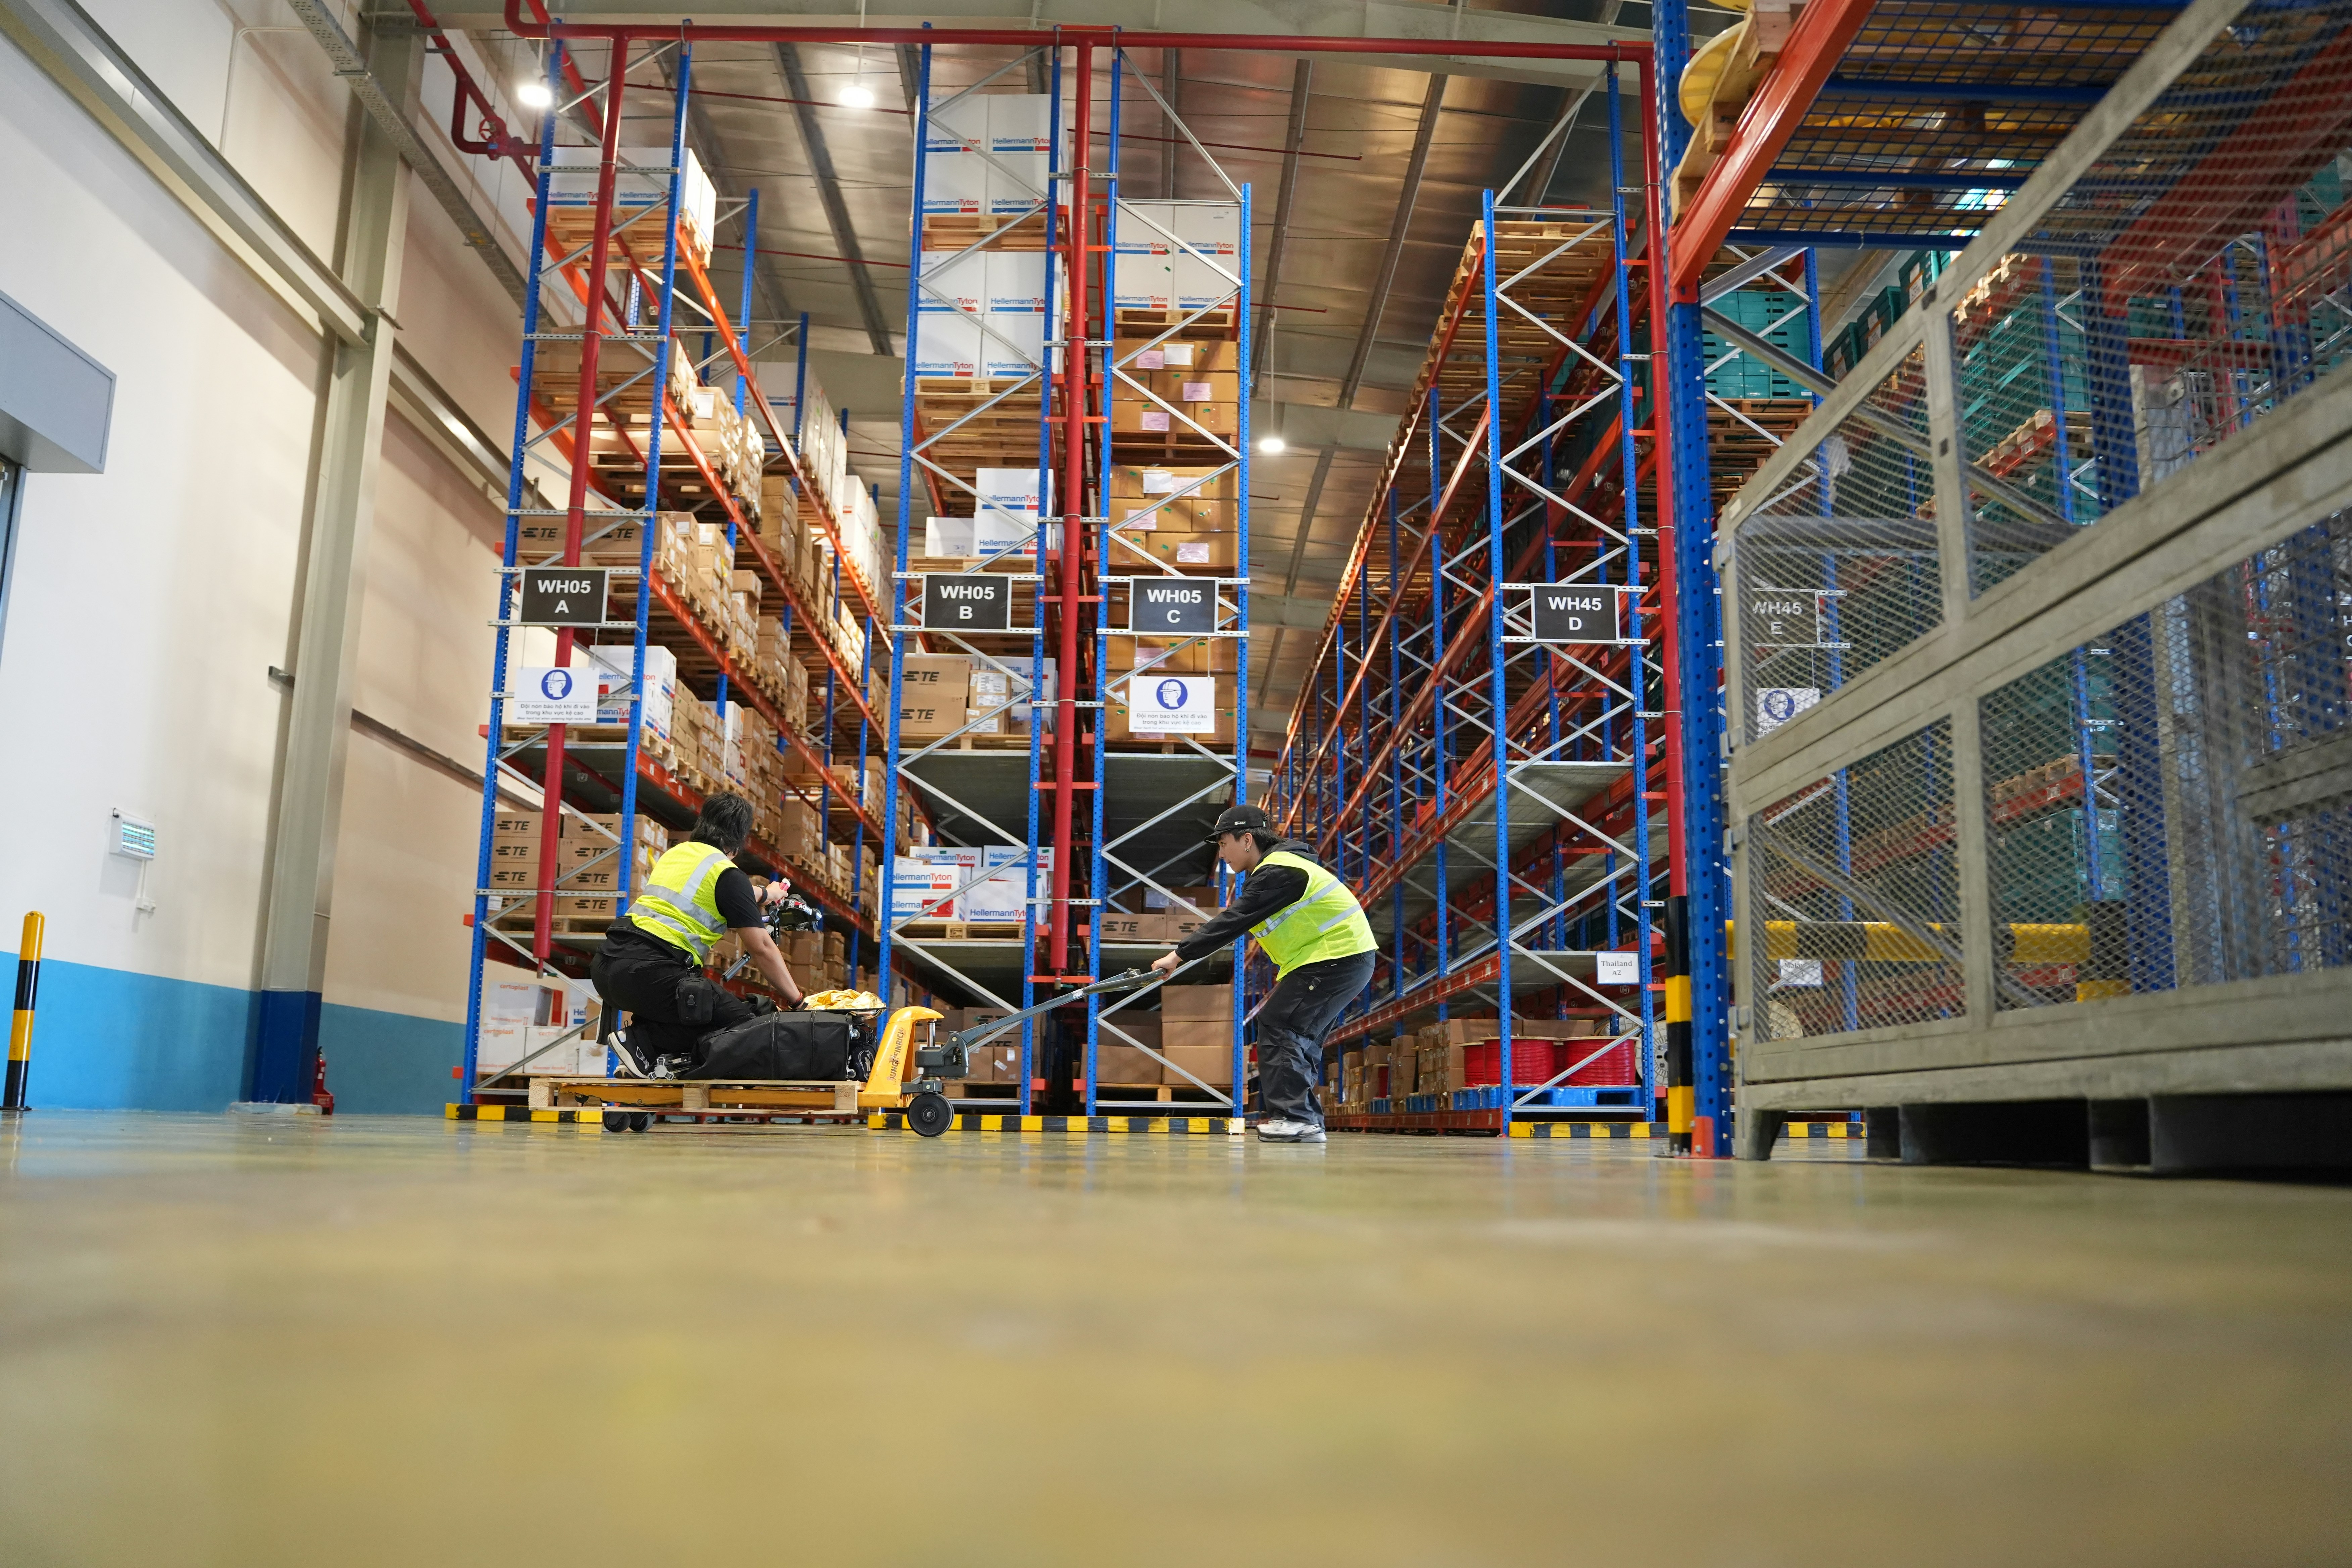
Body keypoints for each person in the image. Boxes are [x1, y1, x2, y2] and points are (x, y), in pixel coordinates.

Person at [1149, 804, 1377, 1143]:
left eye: (1224, 842)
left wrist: (1178, 955)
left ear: (1247, 840)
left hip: (1334, 957)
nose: (1222, 852)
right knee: (1302, 1039)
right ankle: (1307, 1121)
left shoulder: (1279, 870)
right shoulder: (1281, 869)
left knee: (1278, 1023)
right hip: (1341, 959)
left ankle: (1294, 1117)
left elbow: (1233, 921)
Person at [589, 791, 805, 1077]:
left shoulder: (676, 855)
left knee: (699, 1008)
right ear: (739, 840)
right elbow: (763, 947)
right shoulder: (728, 874)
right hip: (652, 973)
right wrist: (798, 1001)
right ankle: (645, 1043)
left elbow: (724, 890)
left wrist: (768, 894)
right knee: (745, 1024)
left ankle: (644, 1059)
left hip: (607, 967)